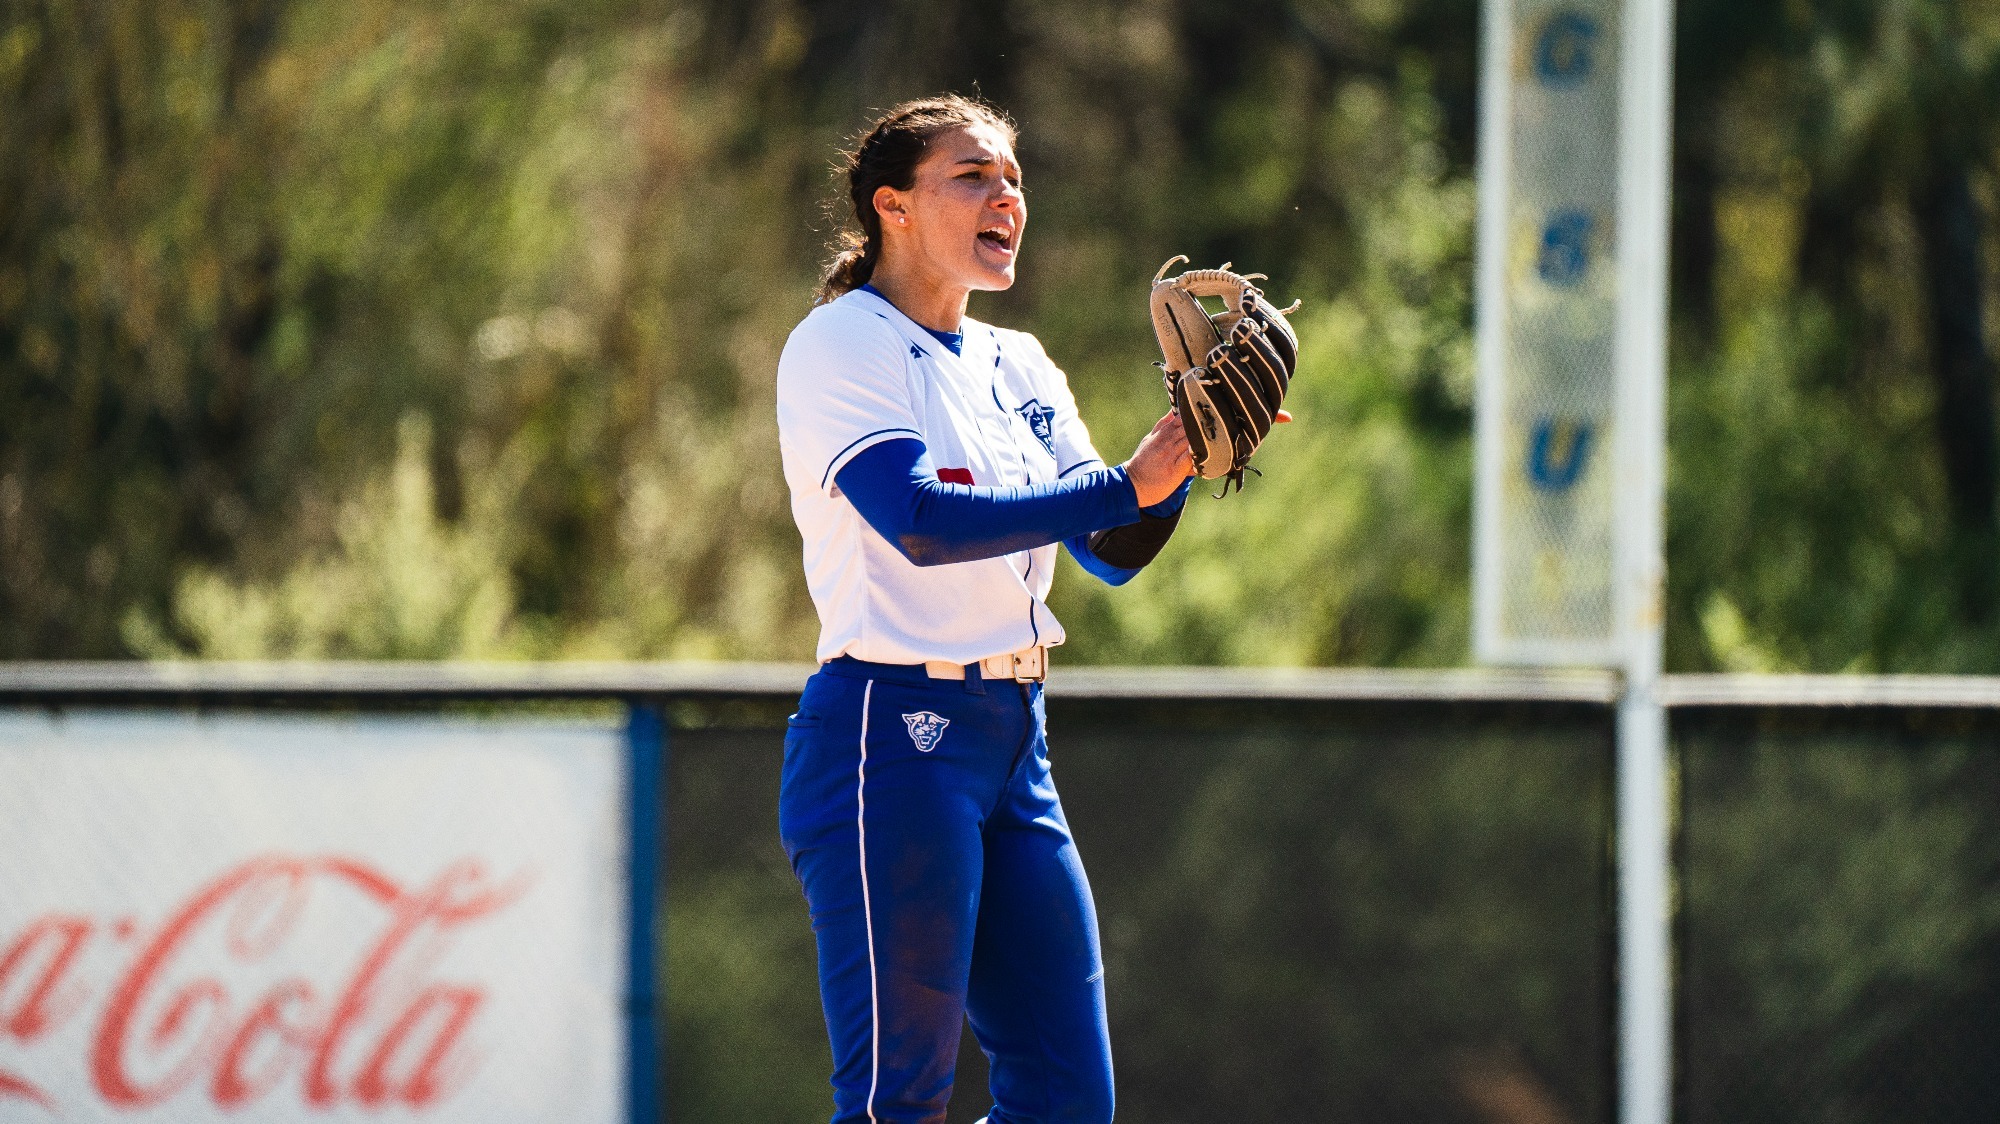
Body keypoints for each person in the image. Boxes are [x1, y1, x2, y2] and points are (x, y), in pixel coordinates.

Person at [774, 94, 1192, 1124]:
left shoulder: (1018, 360)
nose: (1004, 192)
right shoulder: (842, 343)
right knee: (895, 1098)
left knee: (1064, 1096)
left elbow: (1109, 550)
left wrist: (1182, 457)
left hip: (1014, 739)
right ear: (893, 207)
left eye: (1012, 176)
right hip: (889, 734)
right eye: (971, 174)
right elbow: (915, 517)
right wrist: (1120, 486)